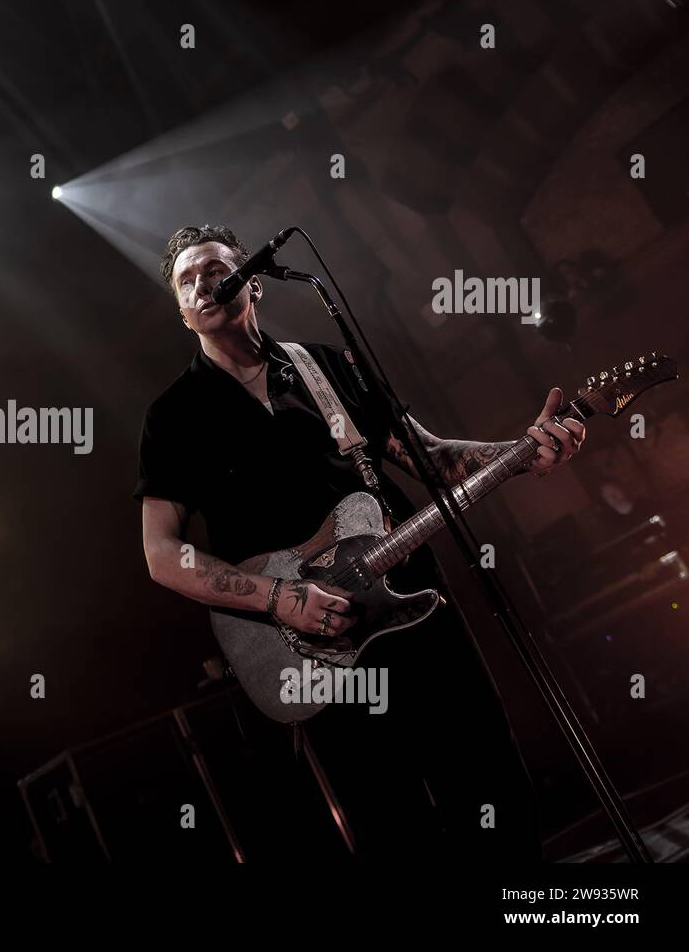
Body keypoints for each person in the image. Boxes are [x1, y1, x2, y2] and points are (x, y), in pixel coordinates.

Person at [135, 224, 585, 859]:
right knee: (395, 822)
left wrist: (519, 453)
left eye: (214, 269)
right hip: (314, 650)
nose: (203, 284)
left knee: (489, 781)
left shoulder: (329, 366)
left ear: (252, 282)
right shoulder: (174, 417)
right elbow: (161, 554)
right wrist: (278, 599)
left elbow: (427, 455)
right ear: (183, 313)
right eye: (187, 281)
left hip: (412, 603)